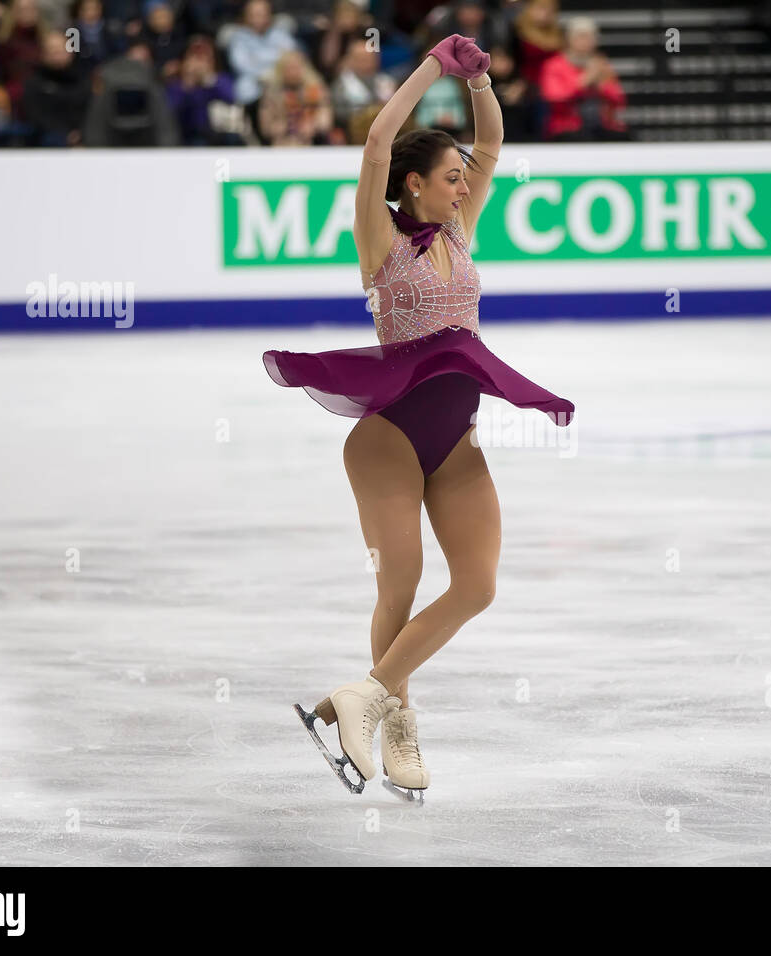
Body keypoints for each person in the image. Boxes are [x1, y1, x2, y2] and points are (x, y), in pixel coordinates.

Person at [262, 34, 574, 797]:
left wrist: (479, 83)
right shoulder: (381, 242)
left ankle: (363, 698)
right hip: (389, 438)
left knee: (477, 585)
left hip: (455, 441)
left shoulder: (461, 231)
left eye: (465, 178)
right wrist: (433, 65)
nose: (465, 186)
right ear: (414, 185)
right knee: (399, 585)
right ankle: (398, 725)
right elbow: (374, 144)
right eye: (450, 177)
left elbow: (493, 139)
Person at [538, 15, 628, 140]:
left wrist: (601, 85)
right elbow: (555, 98)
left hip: (601, 125)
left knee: (623, 138)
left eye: (591, 37)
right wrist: (585, 81)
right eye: (582, 36)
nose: (587, 41)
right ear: (569, 39)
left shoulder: (601, 64)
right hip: (567, 128)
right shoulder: (554, 65)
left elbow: (618, 99)